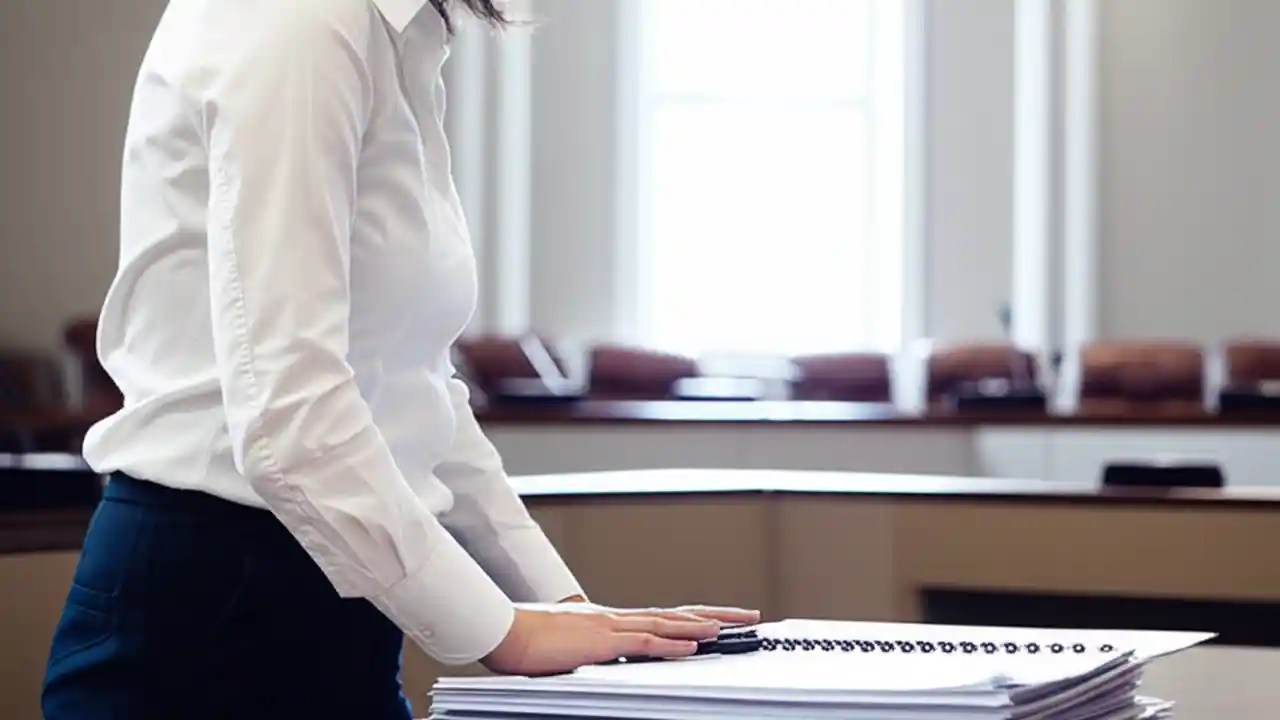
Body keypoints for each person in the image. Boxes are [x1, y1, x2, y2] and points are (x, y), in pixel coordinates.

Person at [41, 0, 758, 717]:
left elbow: (409, 386)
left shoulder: (392, 34)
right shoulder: (298, 21)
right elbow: (289, 415)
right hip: (207, 606)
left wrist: (565, 605)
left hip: (326, 598)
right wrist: (503, 630)